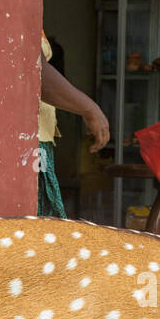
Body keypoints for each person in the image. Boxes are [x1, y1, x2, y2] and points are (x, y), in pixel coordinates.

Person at [38, 30, 110, 217]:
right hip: (29, 143)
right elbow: (35, 72)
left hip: (40, 141)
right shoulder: (18, 9)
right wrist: (90, 109)